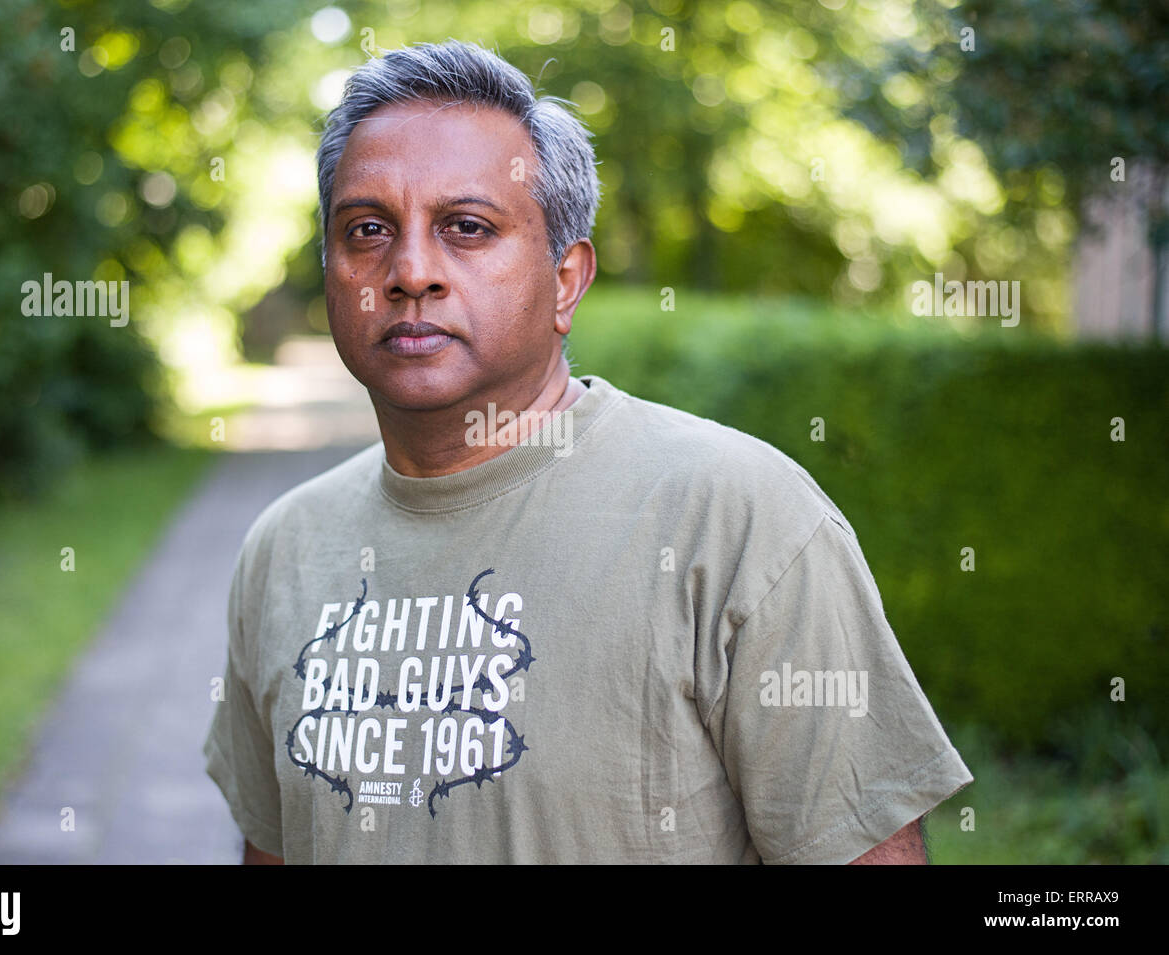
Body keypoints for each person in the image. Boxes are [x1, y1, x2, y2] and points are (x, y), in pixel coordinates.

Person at [203, 38, 972, 864]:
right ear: (330, 269)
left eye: (467, 227)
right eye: (368, 230)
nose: (411, 270)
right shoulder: (284, 548)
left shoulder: (743, 521)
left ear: (565, 280)